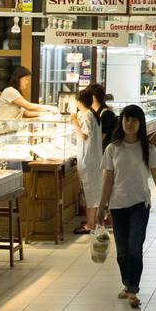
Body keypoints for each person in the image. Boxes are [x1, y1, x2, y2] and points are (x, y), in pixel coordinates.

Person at [98, 105, 156, 309]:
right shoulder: (112, 148)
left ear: (140, 124)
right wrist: (102, 206)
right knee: (122, 252)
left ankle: (133, 290)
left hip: (140, 204)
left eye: (134, 120)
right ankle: (127, 282)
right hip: (117, 205)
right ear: (121, 122)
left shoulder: (146, 149)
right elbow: (107, 180)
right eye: (126, 119)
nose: (129, 123)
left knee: (134, 247)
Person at [72, 86, 104, 235]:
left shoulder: (85, 116)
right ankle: (94, 221)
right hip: (95, 159)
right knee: (95, 192)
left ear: (79, 102)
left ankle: (90, 224)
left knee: (90, 192)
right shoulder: (93, 114)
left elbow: (83, 135)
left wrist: (74, 122)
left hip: (88, 160)